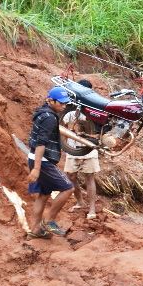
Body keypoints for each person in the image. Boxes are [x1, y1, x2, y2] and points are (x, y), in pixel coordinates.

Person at [27, 87, 78, 238]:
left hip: (35, 158)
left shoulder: (43, 112)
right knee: (68, 188)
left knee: (43, 195)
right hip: (43, 161)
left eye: (65, 103)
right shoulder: (49, 118)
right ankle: (49, 220)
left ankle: (35, 231)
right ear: (51, 101)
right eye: (61, 103)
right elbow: (41, 143)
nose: (64, 106)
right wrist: (37, 168)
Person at [62, 80, 101, 220]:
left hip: (89, 151)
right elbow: (64, 129)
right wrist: (65, 147)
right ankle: (80, 202)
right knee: (71, 176)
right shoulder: (70, 111)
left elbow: (98, 134)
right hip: (72, 150)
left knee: (89, 178)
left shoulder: (94, 113)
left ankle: (92, 209)